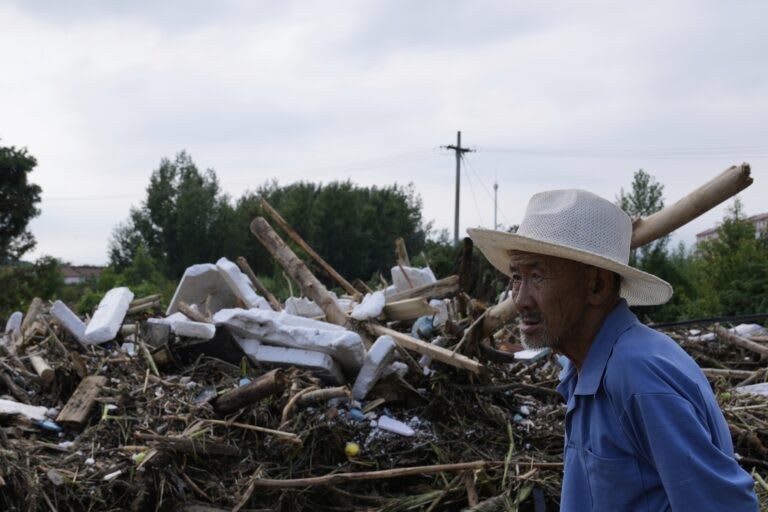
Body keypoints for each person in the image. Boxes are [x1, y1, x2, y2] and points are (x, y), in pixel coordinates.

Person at [468, 189, 758, 511]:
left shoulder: (638, 376)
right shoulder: (582, 369)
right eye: (516, 277)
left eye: (537, 276)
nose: (520, 299)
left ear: (597, 286)